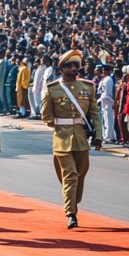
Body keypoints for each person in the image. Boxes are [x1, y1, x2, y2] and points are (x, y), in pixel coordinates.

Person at [41, 49, 101, 229]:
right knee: (70, 176)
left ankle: (73, 202)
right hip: (62, 138)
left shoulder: (87, 87)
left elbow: (94, 114)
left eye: (76, 65)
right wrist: (61, 126)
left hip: (82, 138)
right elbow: (46, 116)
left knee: (80, 175)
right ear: (61, 69)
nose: (74, 69)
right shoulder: (53, 89)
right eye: (69, 66)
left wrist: (98, 135)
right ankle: (71, 213)